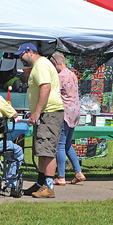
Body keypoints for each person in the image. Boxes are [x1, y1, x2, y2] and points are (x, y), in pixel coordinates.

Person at [14, 42, 64, 198]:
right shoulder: (38, 66)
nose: (20, 60)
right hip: (45, 113)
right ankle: (40, 183)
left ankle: (48, 187)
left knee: (47, 150)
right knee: (42, 150)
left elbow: (46, 88)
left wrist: (36, 112)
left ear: (30, 52)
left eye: (21, 56)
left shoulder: (41, 65)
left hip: (49, 113)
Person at [50, 52, 85, 186]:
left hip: (65, 113)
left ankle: (61, 177)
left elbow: (53, 93)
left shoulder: (59, 77)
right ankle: (78, 172)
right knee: (68, 144)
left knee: (60, 145)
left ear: (55, 63)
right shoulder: (72, 74)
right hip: (75, 111)